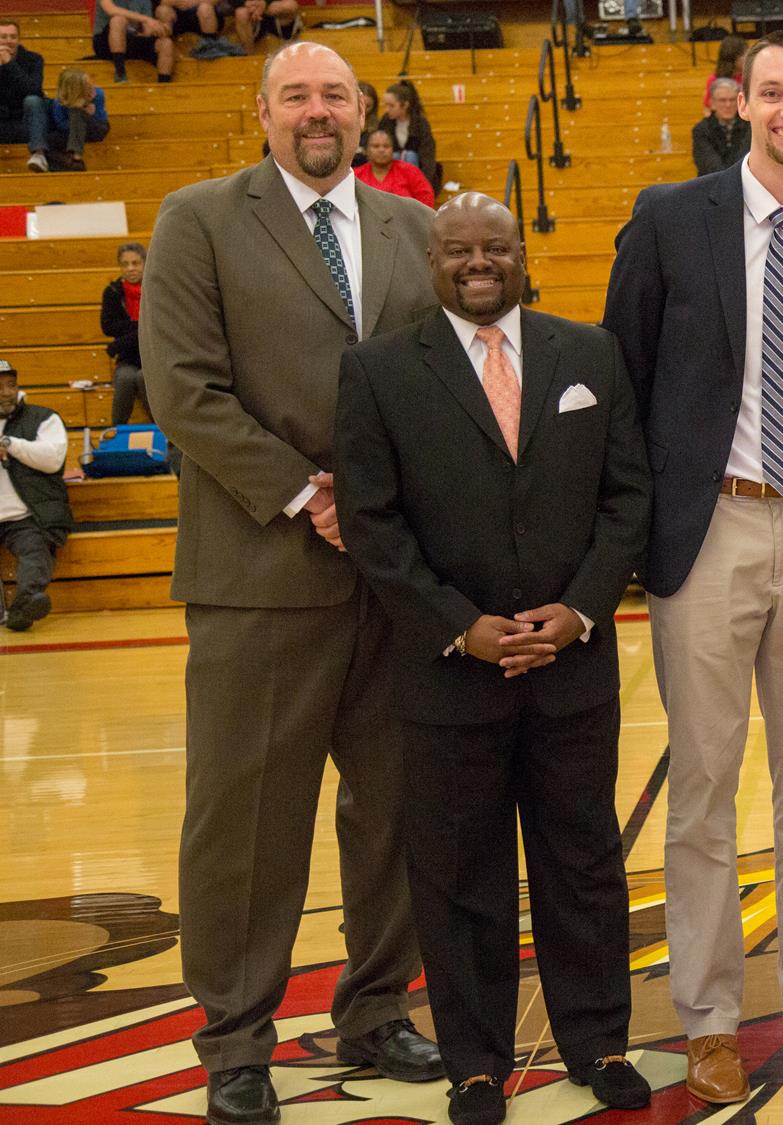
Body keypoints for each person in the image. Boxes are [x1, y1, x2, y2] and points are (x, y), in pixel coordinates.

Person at [141, 41, 446, 1125]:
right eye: (297, 96)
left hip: (398, 580)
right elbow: (183, 387)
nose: (318, 112)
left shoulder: (418, 227)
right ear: (260, 111)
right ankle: (235, 1040)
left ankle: (376, 1010)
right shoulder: (199, 218)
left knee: (399, 812)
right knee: (246, 824)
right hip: (260, 573)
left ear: (365, 114)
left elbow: (449, 384)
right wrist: (306, 494)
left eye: (336, 96)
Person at [599, 30, 783, 1107]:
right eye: (771, 92)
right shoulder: (670, 216)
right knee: (702, 791)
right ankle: (709, 1020)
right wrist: (633, 535)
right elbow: (620, 375)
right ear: (737, 102)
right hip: (710, 529)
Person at [335, 194, 653, 1125]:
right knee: (458, 867)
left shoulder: (588, 353)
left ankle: (597, 1040)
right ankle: (475, 1060)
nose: (481, 263)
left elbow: (627, 496)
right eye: (460, 250)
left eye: (497, 248)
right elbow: (372, 523)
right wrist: (460, 624)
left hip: (574, 664)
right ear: (432, 260)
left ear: (522, 254)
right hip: (448, 670)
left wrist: (584, 608)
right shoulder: (380, 369)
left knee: (583, 861)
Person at [0, 360, 71, 633]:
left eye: (11, 385)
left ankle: (23, 608)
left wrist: (10, 444)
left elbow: (52, 459)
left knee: (35, 552)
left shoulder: (44, 418)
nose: (6, 392)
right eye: (0, 387)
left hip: (27, 515)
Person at [101, 242, 147, 424]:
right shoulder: (112, 292)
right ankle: (117, 430)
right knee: (126, 378)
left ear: (144, 263)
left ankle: (165, 433)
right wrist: (139, 328)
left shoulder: (156, 290)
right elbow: (109, 327)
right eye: (125, 264)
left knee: (145, 379)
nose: (130, 269)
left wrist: (117, 344)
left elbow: (158, 327)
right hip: (127, 358)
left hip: (154, 357)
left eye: (135, 263)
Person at [0, 21, 50, 172]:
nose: (8, 40)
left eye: (13, 37)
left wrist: (9, 64)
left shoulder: (34, 59)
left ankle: (39, 155)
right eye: (3, 37)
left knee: (33, 100)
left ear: (19, 39)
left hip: (25, 118)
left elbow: (34, 90)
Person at [92, 0, 175, 84]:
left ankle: (163, 87)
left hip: (132, 38)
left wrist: (160, 28)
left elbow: (146, 31)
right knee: (118, 20)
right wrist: (146, 19)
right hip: (105, 43)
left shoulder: (144, 1)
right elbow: (111, 10)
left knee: (166, 43)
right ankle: (120, 74)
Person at [355, 124, 437, 206]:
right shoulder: (356, 176)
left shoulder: (410, 171)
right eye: (376, 146)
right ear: (367, 150)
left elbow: (427, 199)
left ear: (393, 149)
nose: (381, 150)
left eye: (386, 146)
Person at [381, 81, 441, 192]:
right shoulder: (386, 121)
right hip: (392, 175)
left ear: (405, 105)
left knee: (410, 155)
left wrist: (423, 186)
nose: (387, 109)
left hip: (416, 175)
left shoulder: (420, 123)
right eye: (386, 105)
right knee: (395, 155)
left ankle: (409, 191)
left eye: (391, 106)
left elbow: (428, 157)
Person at [44, 68, 107, 172]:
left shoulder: (98, 94)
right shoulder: (59, 101)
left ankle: (77, 155)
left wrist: (87, 115)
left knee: (77, 113)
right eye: (86, 84)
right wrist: (79, 108)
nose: (91, 86)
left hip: (95, 127)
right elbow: (61, 124)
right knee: (48, 140)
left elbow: (101, 119)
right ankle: (70, 166)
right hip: (69, 132)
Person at [693, 78, 751, 176]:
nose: (728, 105)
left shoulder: (750, 127)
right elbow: (708, 165)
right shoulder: (701, 130)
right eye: (722, 100)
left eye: (732, 100)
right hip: (712, 185)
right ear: (712, 103)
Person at [228, 0, 302, 49]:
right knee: (241, 13)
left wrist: (264, 3)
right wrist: (247, 3)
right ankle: (249, 57)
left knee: (290, 5)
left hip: (273, 8)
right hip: (250, 11)